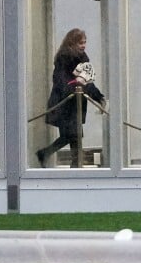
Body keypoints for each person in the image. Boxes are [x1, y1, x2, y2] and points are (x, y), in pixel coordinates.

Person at [35, 28, 105, 168]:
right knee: (72, 135)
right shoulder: (64, 58)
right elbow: (61, 80)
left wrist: (99, 97)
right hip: (64, 103)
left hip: (73, 103)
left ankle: (72, 163)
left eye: (84, 42)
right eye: (80, 42)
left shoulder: (82, 59)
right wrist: (74, 88)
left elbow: (87, 82)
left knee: (74, 135)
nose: (83, 45)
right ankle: (61, 159)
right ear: (72, 43)